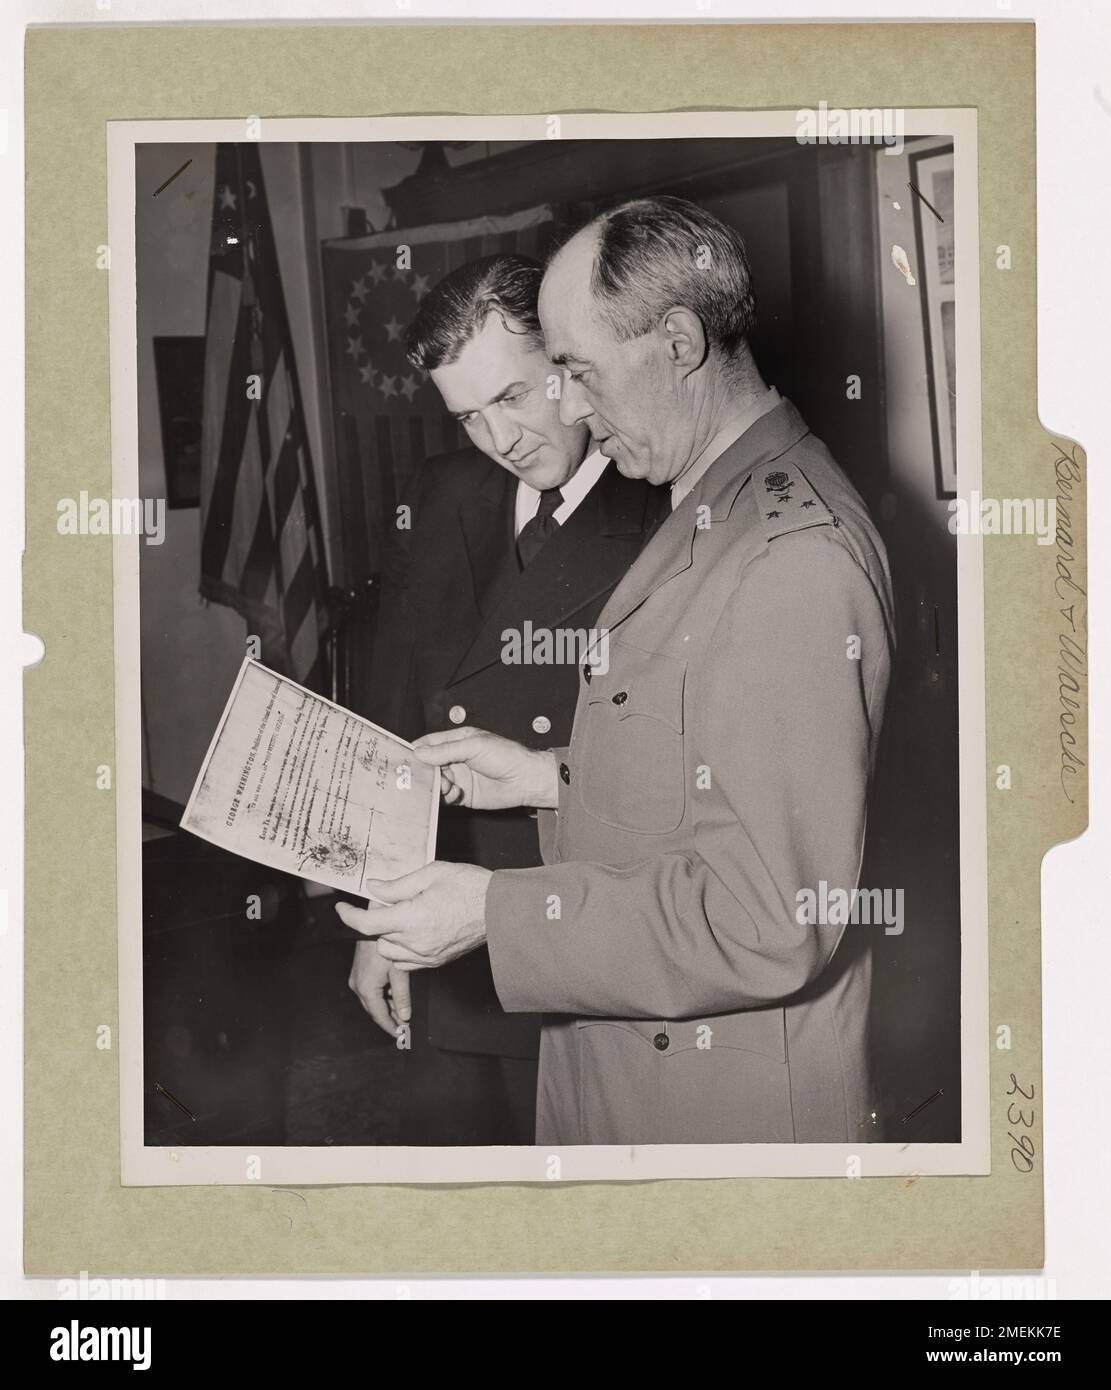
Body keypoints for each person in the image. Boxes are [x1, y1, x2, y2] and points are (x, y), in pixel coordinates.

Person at [339, 198, 896, 1146]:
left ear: (677, 341)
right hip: (643, 1060)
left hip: (722, 1103)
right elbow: (694, 785)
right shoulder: (709, 502)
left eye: (577, 372)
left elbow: (770, 917)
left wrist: (497, 913)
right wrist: (543, 781)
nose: (575, 408)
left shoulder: (789, 555)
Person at [348, 252, 666, 1144]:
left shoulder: (669, 510)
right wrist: (378, 924)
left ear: (570, 361)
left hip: (575, 940)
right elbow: (390, 718)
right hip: (440, 943)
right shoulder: (442, 493)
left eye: (516, 397)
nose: (500, 441)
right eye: (468, 416)